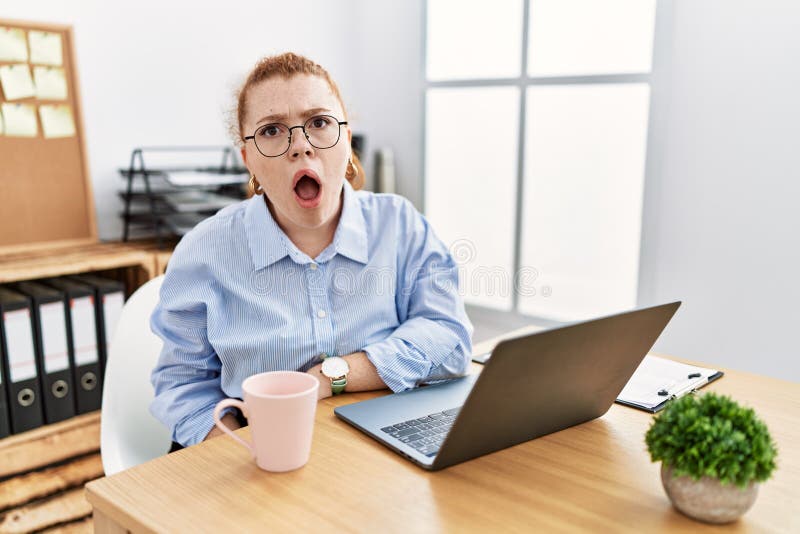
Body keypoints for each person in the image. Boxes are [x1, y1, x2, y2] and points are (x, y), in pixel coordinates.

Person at [150, 52, 473, 448]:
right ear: (248, 158)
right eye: (271, 131)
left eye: (319, 123)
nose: (301, 147)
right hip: (255, 451)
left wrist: (330, 376)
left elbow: (449, 338)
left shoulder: (400, 224)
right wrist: (244, 450)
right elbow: (182, 386)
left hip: (374, 446)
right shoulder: (204, 252)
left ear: (346, 138)